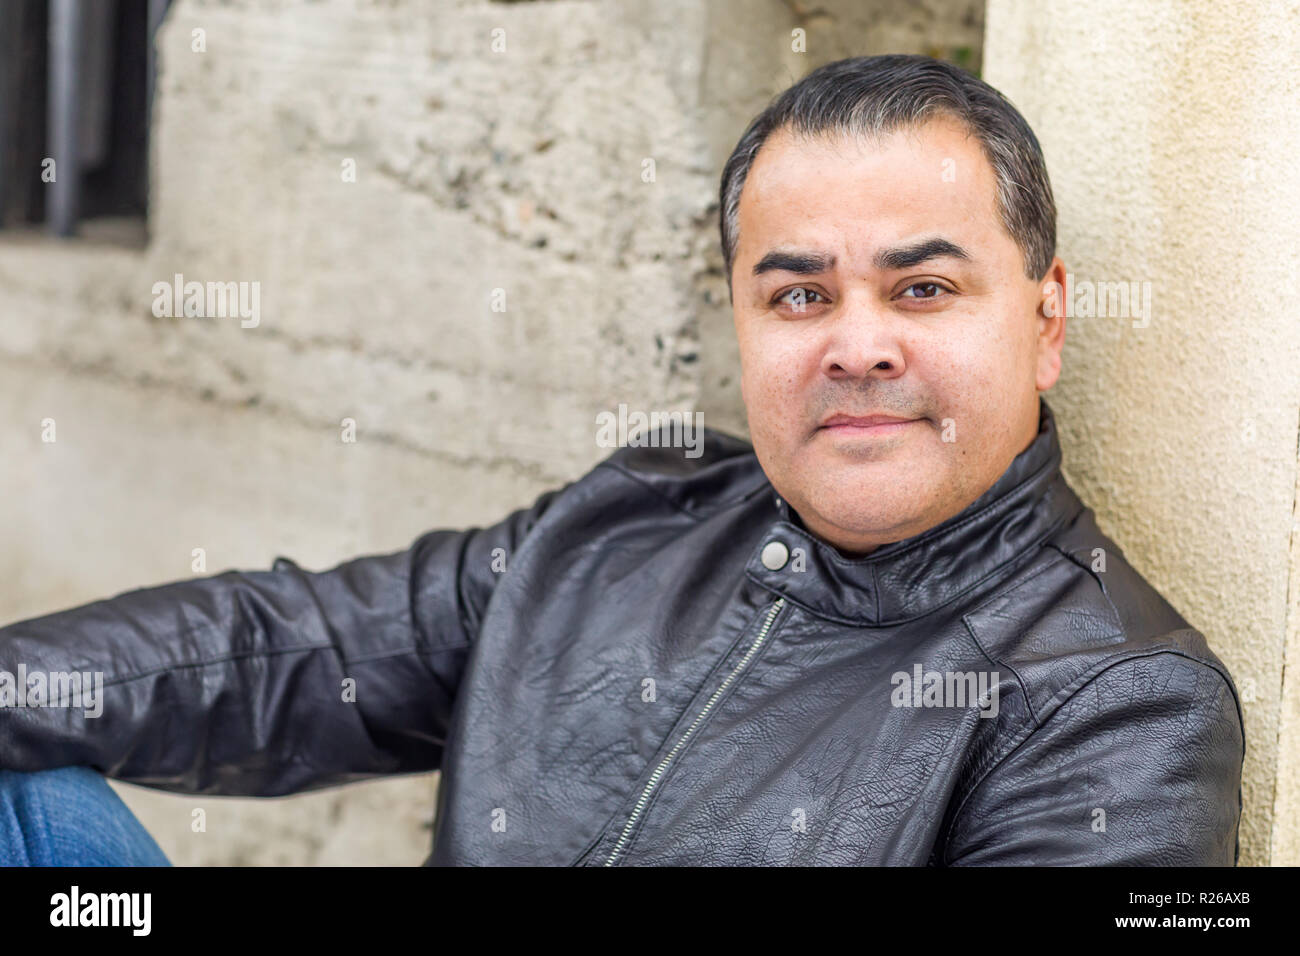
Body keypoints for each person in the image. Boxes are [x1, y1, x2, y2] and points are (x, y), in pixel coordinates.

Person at [0, 54, 1243, 866]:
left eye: (921, 287)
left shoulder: (1116, 706)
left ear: (1046, 320)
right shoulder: (631, 515)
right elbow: (292, 648)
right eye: (798, 296)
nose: (859, 346)